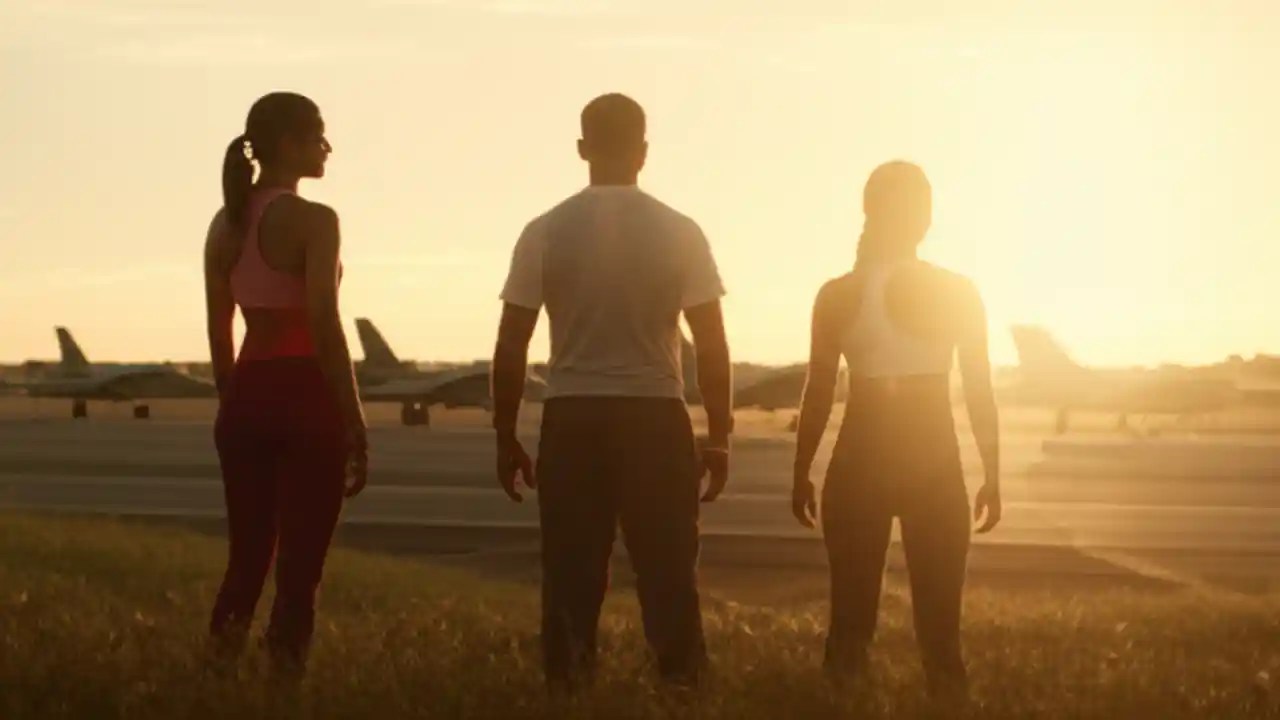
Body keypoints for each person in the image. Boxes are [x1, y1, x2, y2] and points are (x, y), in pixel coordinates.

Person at [491, 93, 734, 691]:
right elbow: (712, 343)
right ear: (644, 152)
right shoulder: (680, 231)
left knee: (571, 577)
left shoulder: (544, 230)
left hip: (573, 416)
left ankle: (569, 693)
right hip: (655, 415)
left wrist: (504, 435)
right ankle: (682, 692)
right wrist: (721, 435)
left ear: (581, 149)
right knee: (669, 574)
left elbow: (512, 341)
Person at [790, 161, 1001, 696]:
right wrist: (993, 474)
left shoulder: (837, 293)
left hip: (859, 455)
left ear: (868, 210)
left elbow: (818, 393)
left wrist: (801, 472)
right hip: (932, 455)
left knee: (850, 624)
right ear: (926, 217)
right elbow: (979, 389)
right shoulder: (957, 290)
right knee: (940, 630)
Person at [202, 91, 368, 675]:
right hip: (305, 394)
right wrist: (354, 417)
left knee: (245, 561)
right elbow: (324, 321)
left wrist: (234, 403)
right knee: (299, 571)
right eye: (318, 135)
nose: (326, 147)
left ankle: (216, 680)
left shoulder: (225, 224)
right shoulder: (316, 221)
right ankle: (282, 688)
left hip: (247, 393)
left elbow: (219, 332)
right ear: (289, 145)